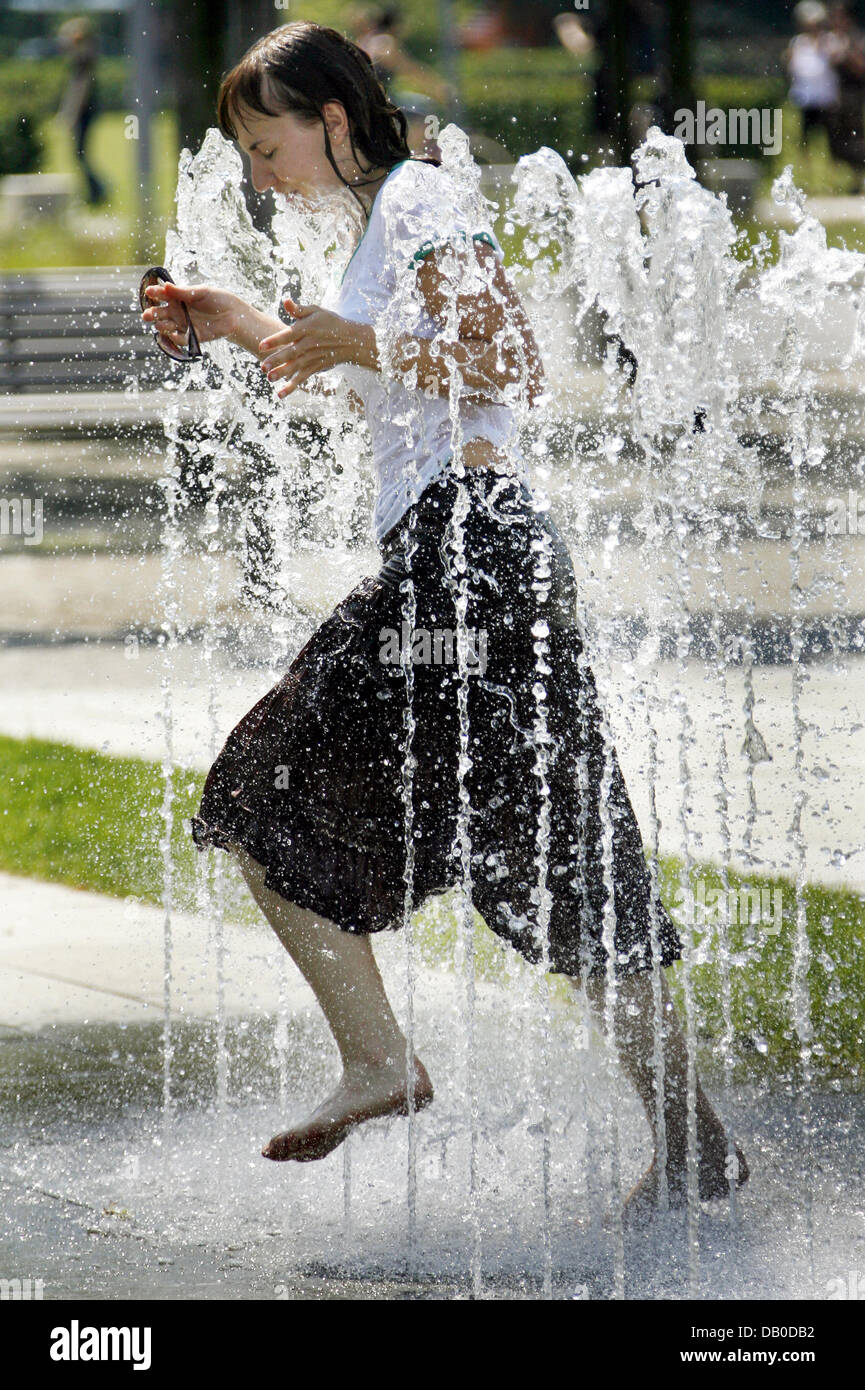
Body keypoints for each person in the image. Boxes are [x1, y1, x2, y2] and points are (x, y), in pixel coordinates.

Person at [140, 20, 747, 1222]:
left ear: (330, 118)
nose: (260, 174)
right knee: (569, 868)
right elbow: (388, 374)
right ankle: (691, 1141)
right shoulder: (380, 228)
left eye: (269, 146)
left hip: (463, 562)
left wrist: (353, 336)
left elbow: (509, 355)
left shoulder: (418, 195)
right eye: (246, 155)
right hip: (491, 565)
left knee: (259, 798)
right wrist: (236, 316)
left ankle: (379, 1062)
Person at [56, 15, 108, 206]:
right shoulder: (85, 58)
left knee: (79, 153)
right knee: (80, 154)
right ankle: (94, 191)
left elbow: (80, 90)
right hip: (86, 111)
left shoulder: (83, 60)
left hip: (85, 112)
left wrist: (70, 114)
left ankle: (98, 191)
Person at [786, 2, 839, 156]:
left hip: (826, 97)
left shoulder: (829, 40)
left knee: (830, 139)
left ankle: (831, 168)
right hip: (806, 98)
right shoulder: (798, 42)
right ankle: (806, 168)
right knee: (805, 138)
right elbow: (794, 68)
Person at [824, 0, 865, 182]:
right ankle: (844, 177)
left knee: (856, 140)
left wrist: (846, 53)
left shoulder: (857, 38)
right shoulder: (830, 39)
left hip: (854, 99)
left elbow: (861, 68)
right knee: (837, 144)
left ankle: (858, 176)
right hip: (834, 100)